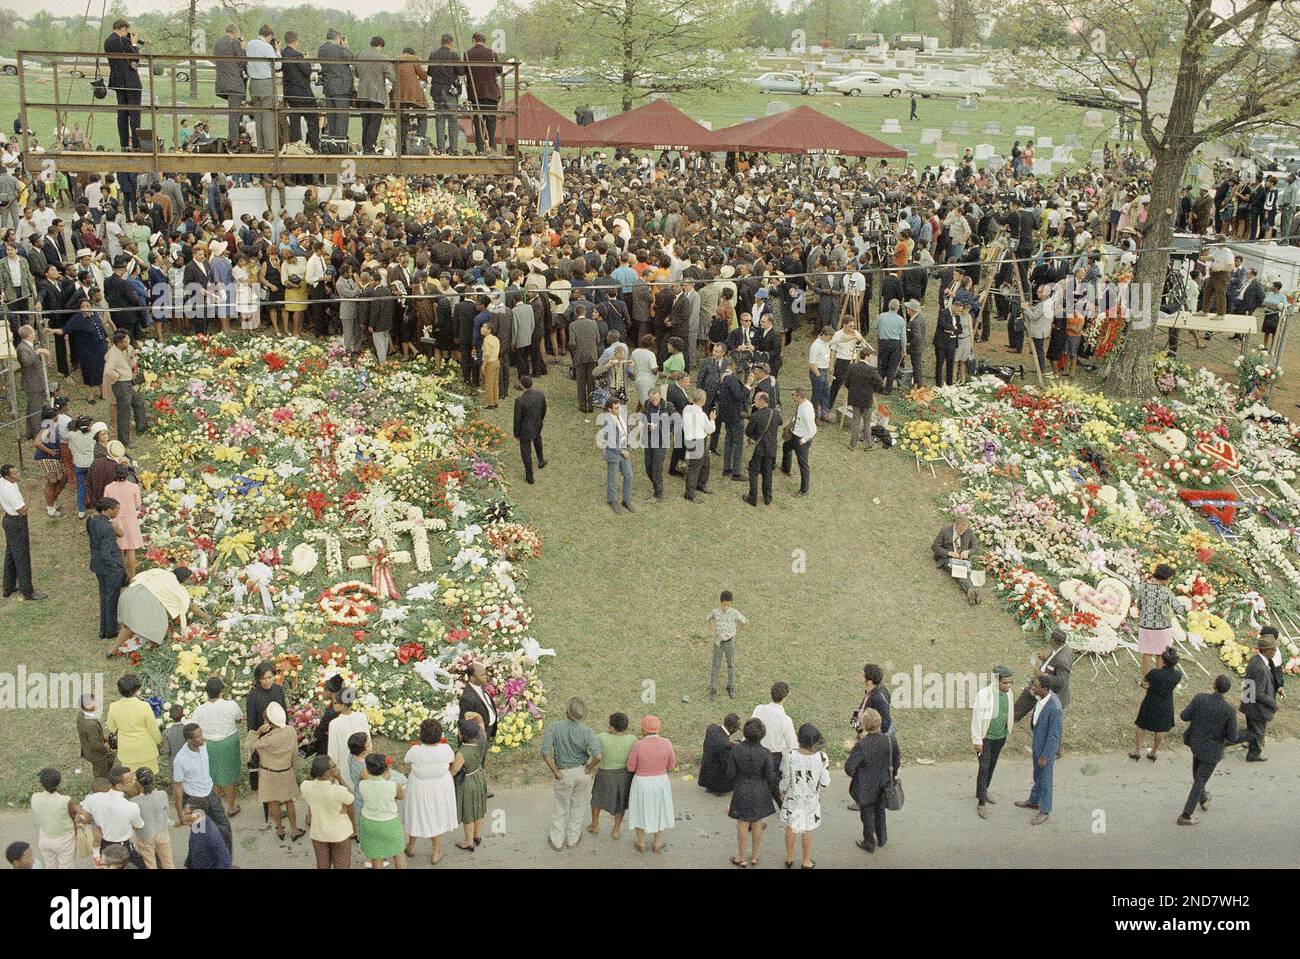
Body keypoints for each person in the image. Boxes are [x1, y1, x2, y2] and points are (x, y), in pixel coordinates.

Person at [1178, 674, 1248, 825]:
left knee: (1198, 776)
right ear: (1227, 690)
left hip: (1195, 744)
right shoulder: (1229, 710)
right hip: (1212, 750)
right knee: (1200, 779)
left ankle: (1203, 798)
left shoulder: (1200, 698)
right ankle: (1185, 815)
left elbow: (1184, 716)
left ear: (1213, 684)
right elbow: (1232, 736)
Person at [540, 697, 603, 851]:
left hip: (563, 773)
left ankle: (556, 840)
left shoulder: (555, 728)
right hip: (582, 772)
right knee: (578, 805)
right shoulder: (587, 731)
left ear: (567, 712)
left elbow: (545, 752)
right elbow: (599, 756)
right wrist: (589, 767)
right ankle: (573, 838)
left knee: (560, 806)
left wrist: (555, 772)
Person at [170, 723, 233, 860]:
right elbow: (178, 787)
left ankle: (225, 860)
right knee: (199, 833)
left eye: (201, 734)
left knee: (224, 826)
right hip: (194, 800)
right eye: (198, 737)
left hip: (210, 793)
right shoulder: (180, 760)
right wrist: (180, 812)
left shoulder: (203, 746)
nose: (202, 738)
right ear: (189, 740)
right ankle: (196, 862)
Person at [113, 566, 207, 655]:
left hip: (129, 594)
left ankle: (112, 650)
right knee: (160, 624)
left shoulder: (161, 573)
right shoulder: (176, 587)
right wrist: (207, 617)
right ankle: (151, 647)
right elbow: (191, 606)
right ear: (184, 579)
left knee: (128, 625)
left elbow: (140, 577)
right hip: (142, 601)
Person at [402, 718, 457, 865]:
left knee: (415, 814)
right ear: (440, 735)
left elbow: (406, 759)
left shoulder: (415, 751)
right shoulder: (445, 749)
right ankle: (435, 851)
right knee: (436, 816)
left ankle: (411, 846)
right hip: (440, 787)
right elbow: (452, 758)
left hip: (419, 786)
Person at [246, 700, 303, 841]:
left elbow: (248, 745)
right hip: (286, 771)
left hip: (269, 773)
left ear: (268, 721)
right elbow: (295, 753)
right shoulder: (291, 731)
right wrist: (293, 767)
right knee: (289, 801)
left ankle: (279, 829)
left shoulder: (267, 739)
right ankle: (294, 830)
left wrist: (257, 732)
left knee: (273, 802)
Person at [725, 717, 779, 867]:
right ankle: (754, 856)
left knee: (742, 825)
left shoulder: (736, 750)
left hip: (741, 789)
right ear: (762, 735)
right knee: (757, 824)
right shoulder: (766, 753)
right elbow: (770, 777)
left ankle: (741, 857)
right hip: (760, 791)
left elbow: (730, 774)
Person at [845, 707, 898, 853]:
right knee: (880, 810)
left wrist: (858, 773)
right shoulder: (890, 739)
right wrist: (892, 776)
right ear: (880, 722)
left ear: (865, 725)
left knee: (867, 814)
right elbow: (896, 760)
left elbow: (849, 768)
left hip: (866, 787)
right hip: (884, 783)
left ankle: (869, 842)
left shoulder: (862, 745)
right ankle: (882, 838)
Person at [779, 722, 830, 870]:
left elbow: (785, 779)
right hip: (810, 801)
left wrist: (781, 791)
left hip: (792, 798)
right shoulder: (821, 757)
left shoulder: (790, 755)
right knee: (807, 829)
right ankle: (806, 861)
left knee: (791, 827)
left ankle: (789, 858)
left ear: (798, 738)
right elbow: (825, 782)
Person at [191, 676, 243, 817]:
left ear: (206, 692)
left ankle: (216, 808)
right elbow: (239, 719)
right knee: (229, 777)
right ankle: (231, 807)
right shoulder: (231, 705)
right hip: (228, 743)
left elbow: (193, 727)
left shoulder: (200, 710)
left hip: (210, 745)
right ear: (222, 691)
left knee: (213, 777)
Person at [625, 715, 676, 854]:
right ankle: (657, 843)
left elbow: (630, 767)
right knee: (660, 810)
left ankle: (641, 843)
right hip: (660, 781)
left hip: (642, 782)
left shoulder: (638, 745)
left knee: (640, 811)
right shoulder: (667, 743)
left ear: (644, 729)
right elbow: (671, 765)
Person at [1016, 676, 1061, 825]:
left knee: (1046, 778)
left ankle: (1045, 810)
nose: (1033, 688)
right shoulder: (1042, 698)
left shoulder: (1054, 707)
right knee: (1038, 774)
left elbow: (1054, 736)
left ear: (1045, 689)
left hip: (1045, 749)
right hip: (1037, 743)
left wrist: (1046, 756)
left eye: (1036, 686)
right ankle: (1034, 800)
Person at [971, 666, 1013, 819]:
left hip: (1000, 737)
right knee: (984, 767)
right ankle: (981, 803)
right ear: (996, 681)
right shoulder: (983, 695)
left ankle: (983, 790)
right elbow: (976, 719)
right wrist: (977, 740)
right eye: (1005, 683)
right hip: (985, 738)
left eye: (1010, 682)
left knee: (992, 765)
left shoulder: (1008, 693)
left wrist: (1007, 731)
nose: (1008, 686)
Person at [82, 766, 145, 868]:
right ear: (120, 785)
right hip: (122, 847)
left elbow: (84, 814)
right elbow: (138, 825)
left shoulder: (93, 799)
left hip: (104, 845)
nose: (134, 782)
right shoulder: (131, 807)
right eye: (130, 781)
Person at [301, 754, 355, 869]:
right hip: (339, 834)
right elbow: (351, 797)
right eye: (334, 766)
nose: (336, 768)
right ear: (327, 773)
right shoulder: (337, 791)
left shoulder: (305, 786)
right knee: (342, 865)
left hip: (318, 833)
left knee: (322, 865)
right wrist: (339, 778)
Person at [589, 712, 636, 838]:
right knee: (621, 803)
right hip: (624, 775)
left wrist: (590, 767)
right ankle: (616, 830)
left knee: (596, 800)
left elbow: (594, 752)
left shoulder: (602, 737)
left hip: (605, 774)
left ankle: (595, 824)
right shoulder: (632, 739)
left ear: (611, 726)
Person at [1, 464, 45, 600]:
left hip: (8, 519)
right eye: (15, 473)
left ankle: (8, 587)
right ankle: (27, 591)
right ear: (7, 476)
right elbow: (23, 510)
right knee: (22, 557)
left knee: (11, 553)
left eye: (17, 471)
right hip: (17, 522)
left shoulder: (3, 482)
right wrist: (29, 492)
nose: (18, 474)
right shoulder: (10, 491)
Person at [87, 497, 128, 640]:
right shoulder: (107, 528)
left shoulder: (92, 520)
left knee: (105, 596)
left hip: (98, 565)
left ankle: (104, 629)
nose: (118, 512)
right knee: (112, 598)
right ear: (108, 510)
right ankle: (111, 630)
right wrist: (117, 565)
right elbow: (106, 553)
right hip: (110, 567)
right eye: (116, 510)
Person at [105, 673, 162, 774]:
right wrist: (159, 741)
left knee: (131, 777)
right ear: (136, 690)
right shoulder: (144, 706)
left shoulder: (113, 707)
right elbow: (153, 728)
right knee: (148, 776)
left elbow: (111, 727)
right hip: (145, 747)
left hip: (127, 749)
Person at [359, 752, 407, 868]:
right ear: (386, 770)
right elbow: (400, 796)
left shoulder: (362, 784)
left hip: (369, 822)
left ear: (368, 769)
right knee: (398, 853)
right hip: (390, 823)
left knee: (376, 856)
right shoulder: (394, 785)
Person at [1133, 648, 1182, 762]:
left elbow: (1146, 683)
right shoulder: (1178, 675)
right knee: (1161, 729)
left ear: (1163, 661)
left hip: (1150, 702)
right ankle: (1153, 752)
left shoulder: (1154, 673)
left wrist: (1139, 683)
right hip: (1166, 704)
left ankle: (1137, 750)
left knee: (1141, 725)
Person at [31, 767, 83, 869]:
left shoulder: (35, 797)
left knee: (50, 866)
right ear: (58, 782)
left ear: (41, 783)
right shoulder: (65, 801)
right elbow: (79, 812)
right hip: (64, 840)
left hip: (45, 839)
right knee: (66, 866)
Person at [103, 19, 142, 150]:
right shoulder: (124, 40)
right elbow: (135, 56)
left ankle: (124, 144)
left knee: (122, 114)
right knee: (135, 114)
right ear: (123, 29)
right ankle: (136, 144)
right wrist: (135, 43)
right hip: (131, 82)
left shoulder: (107, 41)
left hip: (118, 81)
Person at [1242, 631, 1280, 762]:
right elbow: (1258, 693)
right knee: (1256, 731)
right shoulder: (1261, 668)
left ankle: (1254, 753)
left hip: (1249, 701)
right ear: (1266, 650)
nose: (1275, 651)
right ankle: (1226, 740)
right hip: (1256, 706)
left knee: (1255, 730)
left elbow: (1249, 683)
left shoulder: (1255, 660)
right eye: (1273, 649)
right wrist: (1273, 703)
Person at [354, 36, 395, 154]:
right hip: (377, 95)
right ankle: (369, 147)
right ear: (380, 45)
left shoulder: (360, 54)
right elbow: (392, 77)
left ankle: (365, 146)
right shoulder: (383, 58)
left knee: (365, 122)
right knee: (375, 123)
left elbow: (355, 72)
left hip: (362, 94)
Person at [281, 31, 321, 152]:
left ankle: (297, 145)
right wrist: (307, 60)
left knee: (295, 123)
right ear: (296, 41)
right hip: (303, 94)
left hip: (290, 94)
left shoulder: (283, 54)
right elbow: (307, 71)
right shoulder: (297, 55)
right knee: (313, 121)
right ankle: (314, 146)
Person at [452, 719, 487, 851]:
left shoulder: (463, 752)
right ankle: (477, 835)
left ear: (462, 735)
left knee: (468, 814)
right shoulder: (482, 742)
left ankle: (468, 841)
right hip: (479, 776)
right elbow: (482, 726)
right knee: (478, 808)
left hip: (467, 783)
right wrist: (477, 717)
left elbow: (454, 770)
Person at [706, 589, 748, 701]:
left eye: (728, 605)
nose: (726, 607)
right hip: (718, 643)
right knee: (716, 666)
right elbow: (708, 618)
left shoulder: (734, 612)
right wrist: (711, 628)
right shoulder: (715, 612)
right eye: (724, 604)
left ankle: (731, 687)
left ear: (731, 603)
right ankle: (713, 690)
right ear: (720, 603)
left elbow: (744, 621)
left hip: (730, 642)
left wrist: (739, 629)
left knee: (731, 665)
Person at [742, 389, 781, 507]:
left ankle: (752, 498)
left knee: (753, 472)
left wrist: (755, 436)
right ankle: (767, 497)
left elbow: (748, 432)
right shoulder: (774, 413)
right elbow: (780, 422)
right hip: (771, 448)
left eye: (756, 400)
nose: (754, 402)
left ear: (762, 401)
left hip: (759, 448)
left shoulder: (756, 416)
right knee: (767, 472)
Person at [244, 25, 280, 154]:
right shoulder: (267, 47)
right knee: (268, 116)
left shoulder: (250, 44)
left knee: (258, 116)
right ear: (269, 36)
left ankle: (259, 145)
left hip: (253, 83)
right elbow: (277, 64)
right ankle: (269, 146)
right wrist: (278, 51)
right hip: (266, 82)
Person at [465, 32, 503, 153]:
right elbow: (499, 69)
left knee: (478, 121)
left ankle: (480, 147)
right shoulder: (492, 54)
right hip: (491, 92)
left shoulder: (467, 54)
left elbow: (464, 70)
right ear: (484, 41)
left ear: (473, 40)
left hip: (476, 93)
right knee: (491, 120)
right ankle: (491, 146)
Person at [1136, 563, 1176, 675]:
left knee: (1147, 654)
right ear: (1164, 578)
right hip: (1163, 627)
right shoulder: (1166, 591)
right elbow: (1177, 607)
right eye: (1169, 578)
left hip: (1146, 625)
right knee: (1160, 655)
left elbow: (1139, 604)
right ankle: (1157, 681)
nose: (1169, 580)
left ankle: (1146, 680)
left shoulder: (1143, 587)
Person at [931, 514, 981, 604]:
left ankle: (971, 591)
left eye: (963, 531)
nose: (961, 533)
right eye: (959, 531)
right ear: (955, 525)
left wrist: (967, 552)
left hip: (962, 559)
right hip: (947, 558)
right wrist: (949, 553)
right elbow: (935, 546)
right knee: (958, 570)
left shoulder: (969, 532)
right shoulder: (945, 531)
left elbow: (975, 547)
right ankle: (971, 590)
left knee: (963, 571)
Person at [427, 34, 463, 155]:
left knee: (440, 120)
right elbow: (461, 71)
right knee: (453, 120)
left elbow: (430, 72)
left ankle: (441, 149)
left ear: (441, 42)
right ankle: (453, 149)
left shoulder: (433, 54)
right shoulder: (453, 55)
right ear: (450, 43)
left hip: (436, 91)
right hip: (450, 91)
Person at [131, 768, 173, 869]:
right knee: (167, 861)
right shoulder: (162, 794)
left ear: (138, 783)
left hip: (145, 834)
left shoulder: (134, 801)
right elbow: (165, 811)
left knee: (150, 863)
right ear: (153, 780)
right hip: (162, 831)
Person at [598, 397, 634, 515]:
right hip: (614, 454)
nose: (619, 409)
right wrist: (622, 451)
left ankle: (626, 500)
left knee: (628, 475)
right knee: (612, 478)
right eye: (616, 408)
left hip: (624, 451)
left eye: (619, 407)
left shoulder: (621, 417)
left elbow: (627, 431)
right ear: (609, 409)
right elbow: (610, 441)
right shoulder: (608, 421)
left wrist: (628, 448)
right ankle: (612, 501)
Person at [752, 682, 797, 775]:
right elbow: (792, 745)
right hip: (773, 759)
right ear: (785, 697)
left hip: (755, 753)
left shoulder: (759, 709)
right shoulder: (786, 720)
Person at [318, 29, 355, 140]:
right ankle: (340, 142)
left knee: (332, 117)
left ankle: (332, 141)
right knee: (342, 117)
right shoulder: (339, 48)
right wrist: (345, 46)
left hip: (328, 87)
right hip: (341, 87)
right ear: (338, 38)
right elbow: (351, 57)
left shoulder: (321, 49)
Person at [779, 385, 816, 495]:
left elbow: (813, 430)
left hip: (801, 439)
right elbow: (797, 416)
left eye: (793, 395)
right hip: (794, 435)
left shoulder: (806, 410)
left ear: (799, 396)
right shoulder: (801, 405)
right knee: (786, 447)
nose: (792, 397)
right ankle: (786, 468)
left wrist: (803, 440)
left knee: (803, 464)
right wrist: (791, 423)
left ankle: (804, 490)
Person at [844, 349, 884, 451]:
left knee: (856, 422)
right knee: (867, 422)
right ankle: (868, 444)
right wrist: (873, 389)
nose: (871, 357)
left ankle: (852, 445)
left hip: (855, 398)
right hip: (867, 399)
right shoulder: (871, 369)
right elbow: (880, 381)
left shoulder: (852, 367)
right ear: (866, 356)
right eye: (871, 355)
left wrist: (852, 390)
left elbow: (846, 382)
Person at [511, 375, 547, 485]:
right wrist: (540, 420)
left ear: (522, 385)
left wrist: (516, 433)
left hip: (525, 430)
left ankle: (529, 476)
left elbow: (517, 419)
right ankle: (541, 460)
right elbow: (544, 409)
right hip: (537, 424)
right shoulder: (540, 395)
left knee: (526, 452)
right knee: (537, 440)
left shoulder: (520, 401)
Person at [212, 23, 246, 141]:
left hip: (222, 83)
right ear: (235, 33)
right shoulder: (234, 42)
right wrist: (243, 49)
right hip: (234, 84)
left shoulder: (217, 43)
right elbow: (242, 61)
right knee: (234, 116)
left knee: (233, 114)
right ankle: (233, 141)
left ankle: (231, 139)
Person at [698, 714, 740, 795]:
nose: (738, 730)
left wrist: (728, 743)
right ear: (732, 728)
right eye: (738, 728)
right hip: (717, 781)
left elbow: (716, 743)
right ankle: (719, 789)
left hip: (705, 776)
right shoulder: (725, 745)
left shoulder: (712, 728)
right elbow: (726, 766)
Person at [78, 693, 116, 779]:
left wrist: (102, 737)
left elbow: (90, 734)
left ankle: (107, 773)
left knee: (111, 756)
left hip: (89, 746)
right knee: (101, 772)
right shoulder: (90, 724)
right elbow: (96, 745)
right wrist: (107, 747)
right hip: (95, 753)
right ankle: (101, 783)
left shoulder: (81, 713)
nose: (97, 704)